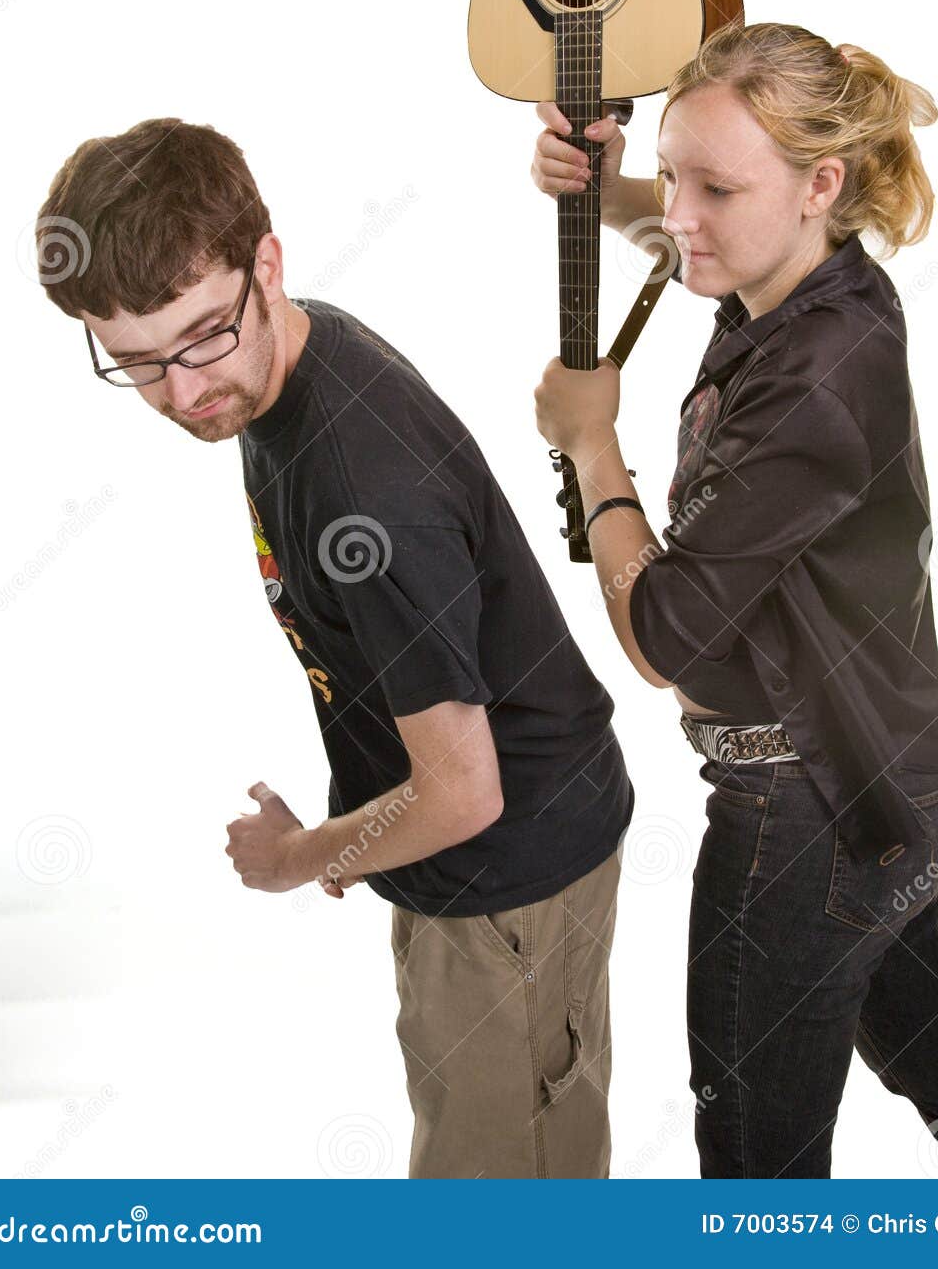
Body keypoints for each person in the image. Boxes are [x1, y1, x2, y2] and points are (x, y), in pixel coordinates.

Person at [35, 117, 633, 1180]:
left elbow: (463, 794)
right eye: (138, 364)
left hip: (506, 875)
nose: (183, 394)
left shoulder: (365, 493)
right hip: (473, 858)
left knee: (489, 1205)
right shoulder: (286, 356)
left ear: (267, 264)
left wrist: (297, 857)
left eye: (204, 337)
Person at [530, 20, 938, 1179]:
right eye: (676, 170)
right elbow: (703, 234)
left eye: (718, 185)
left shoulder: (815, 371)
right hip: (892, 780)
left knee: (758, 1171)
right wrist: (612, 189)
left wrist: (596, 451)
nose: (684, 216)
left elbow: (661, 634)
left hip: (807, 816)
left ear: (821, 183)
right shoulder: (815, 287)